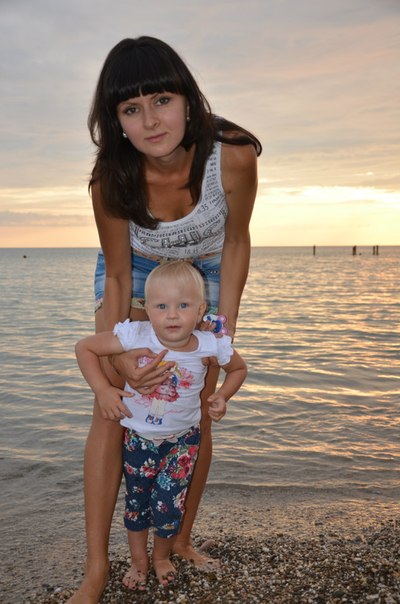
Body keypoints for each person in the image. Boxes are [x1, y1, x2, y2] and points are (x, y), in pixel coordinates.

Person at [70, 35, 261, 602]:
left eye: (161, 100)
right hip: (137, 270)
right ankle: (97, 566)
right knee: (115, 406)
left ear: (187, 99)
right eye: (131, 109)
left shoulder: (233, 155)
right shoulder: (112, 178)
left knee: (194, 408)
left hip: (207, 269)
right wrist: (119, 365)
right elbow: (120, 276)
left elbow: (236, 242)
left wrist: (220, 334)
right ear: (116, 121)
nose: (151, 121)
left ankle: (177, 541)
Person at [75, 261, 247, 590]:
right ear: (146, 308)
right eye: (161, 306)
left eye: (183, 306)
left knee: (170, 504)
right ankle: (138, 561)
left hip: (183, 443)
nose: (172, 315)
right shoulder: (135, 334)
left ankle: (161, 557)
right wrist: (102, 390)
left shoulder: (210, 343)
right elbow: (85, 347)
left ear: (201, 310)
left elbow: (239, 369)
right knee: (137, 504)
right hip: (139, 440)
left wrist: (223, 395)